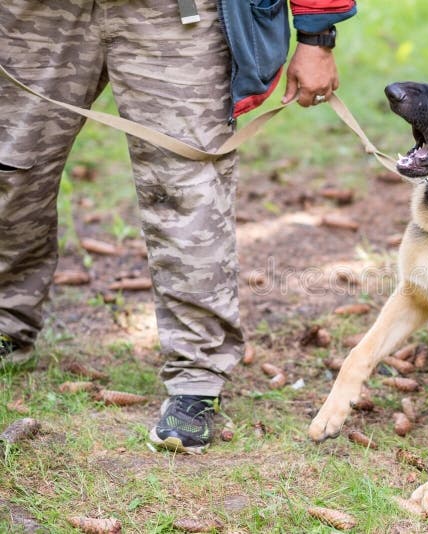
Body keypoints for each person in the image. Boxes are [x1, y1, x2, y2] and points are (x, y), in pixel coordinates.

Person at [0, 0, 356, 454]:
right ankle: (7, 324)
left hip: (173, 15)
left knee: (187, 190)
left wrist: (317, 33)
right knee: (11, 173)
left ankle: (197, 376)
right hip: (33, 13)